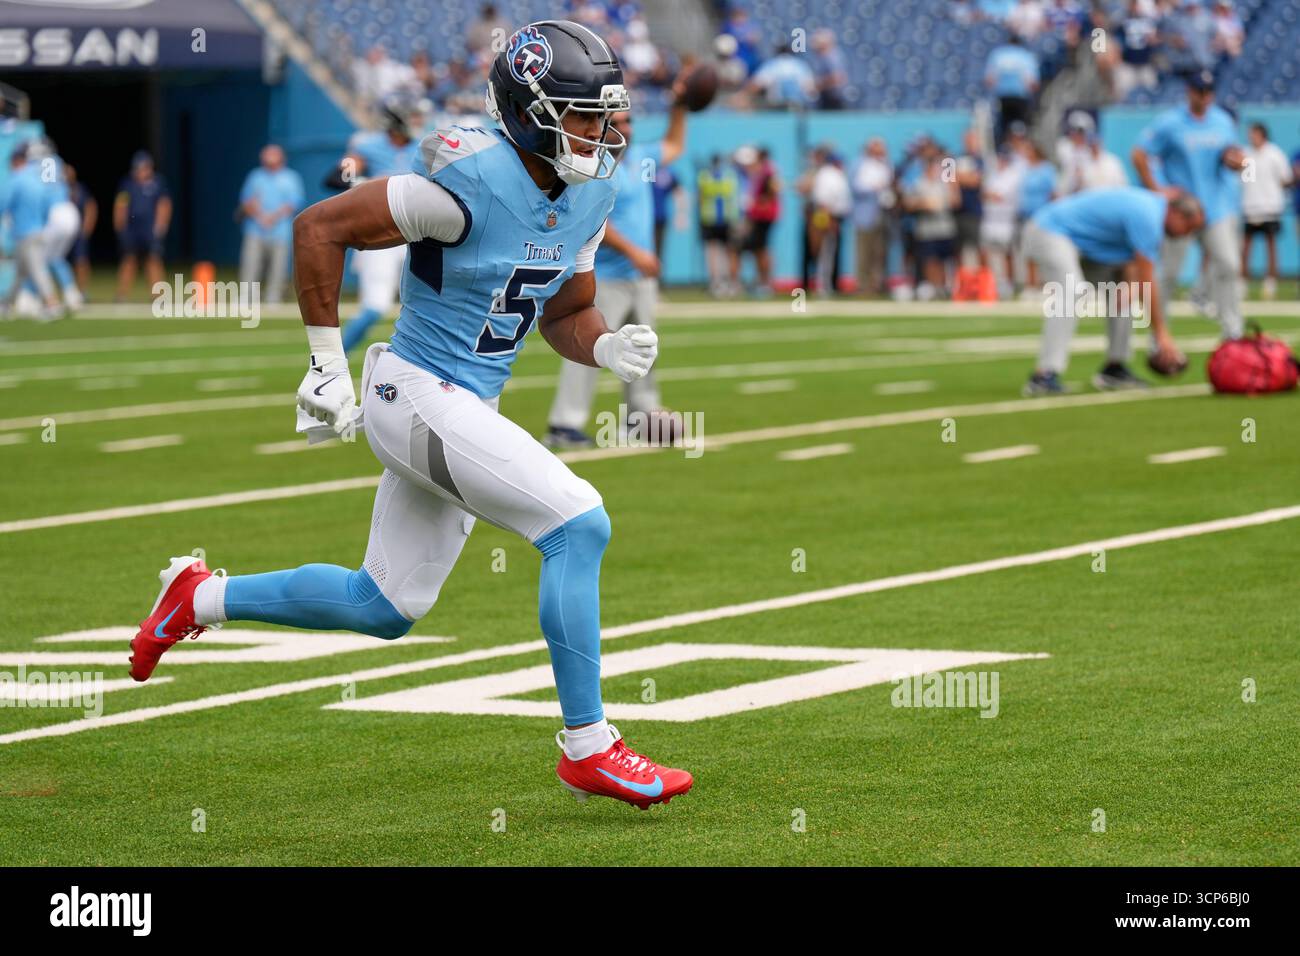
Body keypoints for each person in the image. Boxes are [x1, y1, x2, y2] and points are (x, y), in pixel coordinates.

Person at [126, 20, 692, 810]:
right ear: (531, 112)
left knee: (382, 606)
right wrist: (326, 365)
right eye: (585, 114)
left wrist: (603, 351)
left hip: (464, 402)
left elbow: (569, 310)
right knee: (578, 523)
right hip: (416, 391)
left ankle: (197, 597)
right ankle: (588, 746)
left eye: (606, 113)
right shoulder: (468, 181)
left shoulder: (592, 188)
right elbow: (318, 227)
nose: (605, 131)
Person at [543, 72, 687, 449]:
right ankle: (564, 423)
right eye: (617, 122)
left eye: (627, 121)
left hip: (639, 276)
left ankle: (640, 417)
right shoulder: (593, 167)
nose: (625, 128)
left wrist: (680, 105)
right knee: (587, 346)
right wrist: (636, 252)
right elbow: (595, 222)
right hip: (603, 274)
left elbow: (674, 143)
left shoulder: (640, 158)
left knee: (644, 346)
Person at [1022, 186, 1204, 395]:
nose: (1186, 235)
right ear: (1176, 213)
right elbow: (1147, 280)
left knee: (1124, 293)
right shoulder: (1149, 216)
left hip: (1082, 245)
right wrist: (1161, 334)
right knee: (1072, 292)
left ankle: (1115, 368)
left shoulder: (1151, 211)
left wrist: (1128, 285)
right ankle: (1044, 374)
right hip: (1049, 231)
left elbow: (1131, 265)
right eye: (1188, 227)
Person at [1131, 70, 1245, 339]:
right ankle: (1157, 334)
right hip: (1180, 212)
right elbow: (1139, 153)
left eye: (1208, 91)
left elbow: (1235, 156)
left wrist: (1238, 163)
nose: (1203, 96)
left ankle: (1233, 331)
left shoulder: (1223, 121)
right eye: (1198, 91)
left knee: (1229, 264)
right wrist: (1157, 188)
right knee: (1168, 274)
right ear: (1189, 91)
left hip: (1214, 209)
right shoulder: (1170, 122)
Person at [335, 92, 430, 353]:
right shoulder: (368, 145)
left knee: (429, 308)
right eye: (413, 116)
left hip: (417, 234)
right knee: (376, 307)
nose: (418, 120)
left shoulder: (423, 147)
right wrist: (369, 184)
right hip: (382, 236)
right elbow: (338, 177)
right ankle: (332, 359)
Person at [0, 143, 62, 320]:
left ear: (17, 160)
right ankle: (5, 305)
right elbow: (46, 205)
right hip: (39, 230)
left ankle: (52, 303)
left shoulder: (17, 178)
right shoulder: (37, 179)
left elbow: (3, 204)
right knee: (21, 272)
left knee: (37, 269)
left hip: (24, 232)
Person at [238, 145, 305, 304]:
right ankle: (246, 298)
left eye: (272, 155)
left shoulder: (291, 177)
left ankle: (273, 299)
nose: (269, 159)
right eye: (266, 155)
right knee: (250, 265)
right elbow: (246, 201)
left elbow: (294, 202)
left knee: (278, 267)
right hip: (255, 229)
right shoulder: (255, 176)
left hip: (280, 231)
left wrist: (272, 218)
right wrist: (261, 217)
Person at [1239, 122, 1292, 300]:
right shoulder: (1246, 154)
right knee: (1246, 248)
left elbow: (1285, 179)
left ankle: (1270, 284)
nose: (1251, 137)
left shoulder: (1275, 154)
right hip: (1250, 207)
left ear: (1262, 135)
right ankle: (1243, 283)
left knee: (1271, 246)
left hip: (1270, 207)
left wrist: (1271, 193)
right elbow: (1246, 181)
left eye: (1254, 134)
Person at [113, 151, 171, 301]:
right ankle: (122, 294)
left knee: (153, 259)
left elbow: (164, 204)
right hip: (132, 229)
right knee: (129, 259)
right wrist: (120, 225)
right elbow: (121, 205)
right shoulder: (127, 184)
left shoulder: (158, 183)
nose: (141, 171)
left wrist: (161, 225)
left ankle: (159, 295)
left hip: (149, 228)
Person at [850, 138, 893, 296]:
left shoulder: (886, 164)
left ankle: (878, 284)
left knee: (880, 251)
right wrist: (873, 189)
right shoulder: (860, 164)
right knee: (864, 251)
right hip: (865, 214)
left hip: (883, 212)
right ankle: (863, 285)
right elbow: (855, 186)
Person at [697, 152, 742, 297]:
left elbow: (700, 198)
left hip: (712, 218)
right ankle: (726, 282)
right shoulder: (729, 176)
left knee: (716, 252)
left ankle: (720, 282)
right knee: (725, 252)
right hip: (722, 219)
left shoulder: (705, 176)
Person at [738, 145, 780, 295]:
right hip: (760, 215)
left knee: (761, 249)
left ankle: (765, 282)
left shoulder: (767, 171)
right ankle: (762, 281)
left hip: (764, 216)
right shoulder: (763, 171)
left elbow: (773, 191)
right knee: (758, 250)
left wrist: (760, 204)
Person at [984, 34, 1040, 143]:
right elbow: (1032, 82)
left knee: (1003, 126)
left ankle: (1004, 147)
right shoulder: (1025, 55)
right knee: (1021, 125)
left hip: (1002, 96)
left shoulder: (997, 54)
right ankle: (1020, 145)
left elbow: (989, 80)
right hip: (1020, 96)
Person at [65, 163, 96, 295]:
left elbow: (91, 206)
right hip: (62, 232)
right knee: (56, 261)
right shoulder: (56, 189)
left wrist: (87, 226)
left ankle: (82, 290)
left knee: (81, 261)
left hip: (77, 232)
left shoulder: (80, 189)